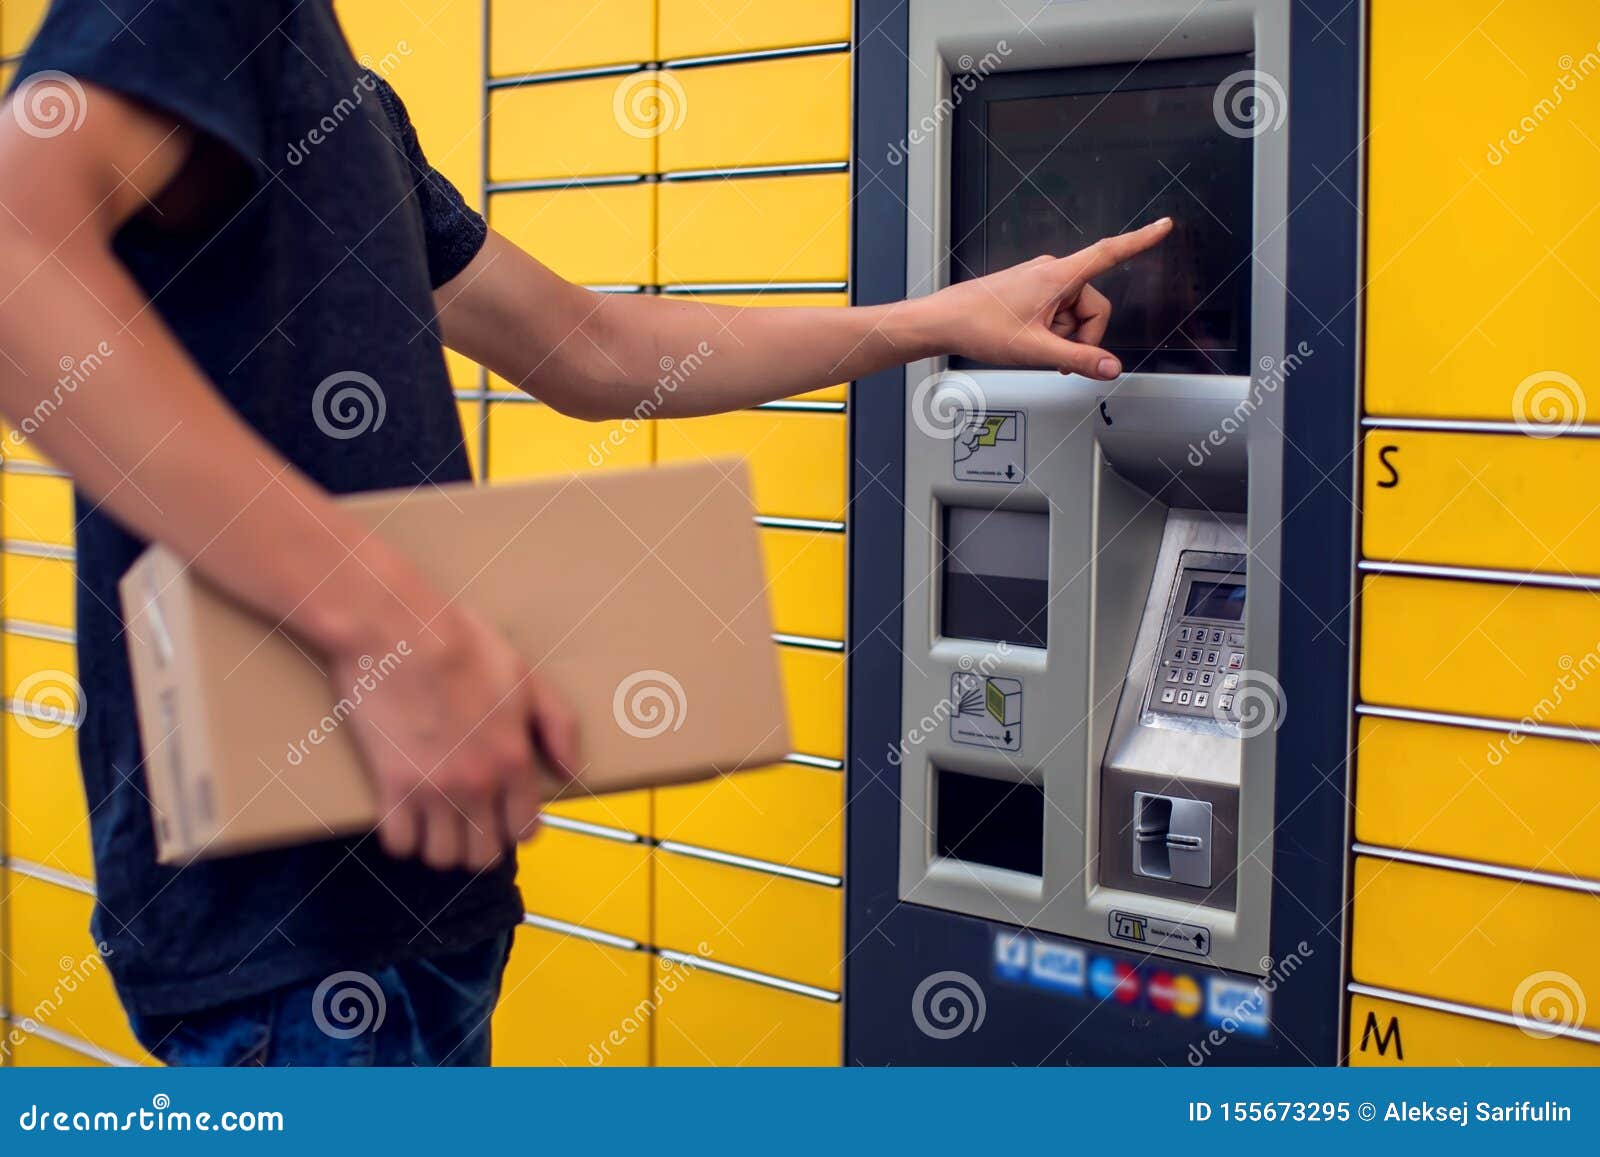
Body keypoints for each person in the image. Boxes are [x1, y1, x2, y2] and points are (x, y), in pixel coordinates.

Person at [0, 0, 1171, 1067]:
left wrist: (942, 320)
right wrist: (383, 622)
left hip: (414, 901)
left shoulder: (343, 94)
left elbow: (588, 349)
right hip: (292, 945)